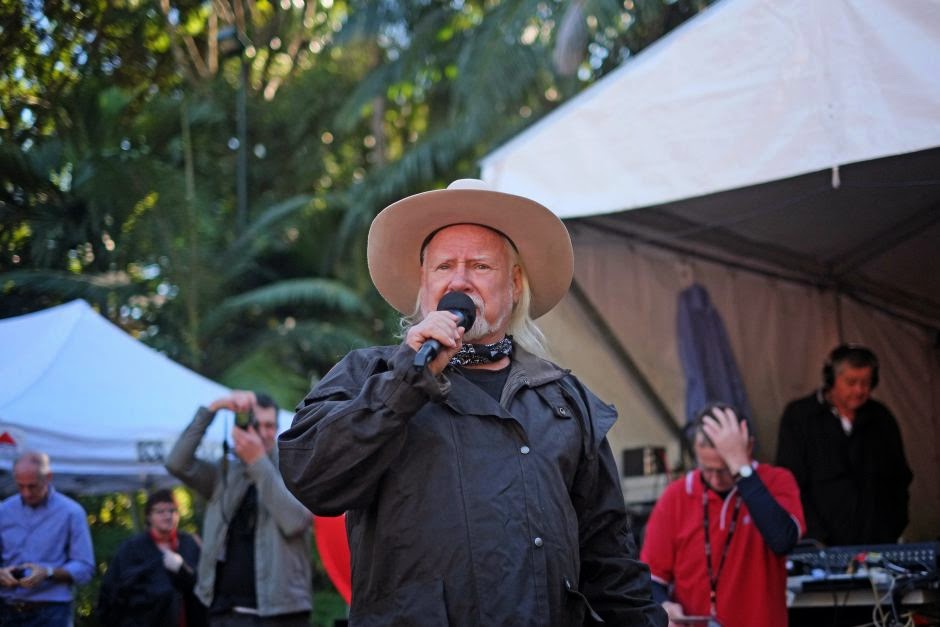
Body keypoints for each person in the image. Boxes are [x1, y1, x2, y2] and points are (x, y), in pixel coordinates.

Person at [278, 179, 667, 626]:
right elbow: (310, 477)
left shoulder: (564, 399)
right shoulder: (369, 374)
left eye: (480, 265)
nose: (459, 280)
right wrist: (406, 381)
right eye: (444, 266)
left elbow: (610, 560)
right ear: (425, 286)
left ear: (515, 284)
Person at [640, 404, 804, 627]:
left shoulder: (777, 481)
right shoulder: (676, 496)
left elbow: (782, 540)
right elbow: (651, 580)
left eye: (724, 468)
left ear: (748, 448)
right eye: (707, 469)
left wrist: (741, 469)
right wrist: (665, 607)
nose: (716, 479)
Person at [165, 390, 313, 626]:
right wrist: (214, 408)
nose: (264, 433)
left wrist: (258, 463)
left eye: (270, 426)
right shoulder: (225, 474)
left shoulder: (295, 469)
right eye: (258, 425)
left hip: (281, 612)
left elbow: (295, 521)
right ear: (244, 427)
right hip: (226, 612)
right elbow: (176, 463)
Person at [775, 344, 913, 546]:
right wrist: (815, 536)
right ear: (831, 380)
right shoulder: (800, 416)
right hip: (821, 544)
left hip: (877, 542)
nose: (859, 390)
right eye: (851, 382)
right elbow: (790, 481)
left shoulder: (881, 418)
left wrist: (891, 527)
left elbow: (900, 478)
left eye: (866, 383)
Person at [0, 451, 95, 626]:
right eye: (20, 486)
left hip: (51, 611)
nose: (26, 493)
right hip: (7, 609)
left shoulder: (71, 512)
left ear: (48, 477)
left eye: (33, 486)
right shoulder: (4, 511)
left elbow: (85, 567)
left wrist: (48, 573)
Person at [97, 489, 208, 626]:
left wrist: (182, 569)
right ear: (149, 516)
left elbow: (203, 583)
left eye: (172, 511)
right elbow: (112, 590)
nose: (168, 516)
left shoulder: (190, 544)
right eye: (160, 511)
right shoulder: (132, 548)